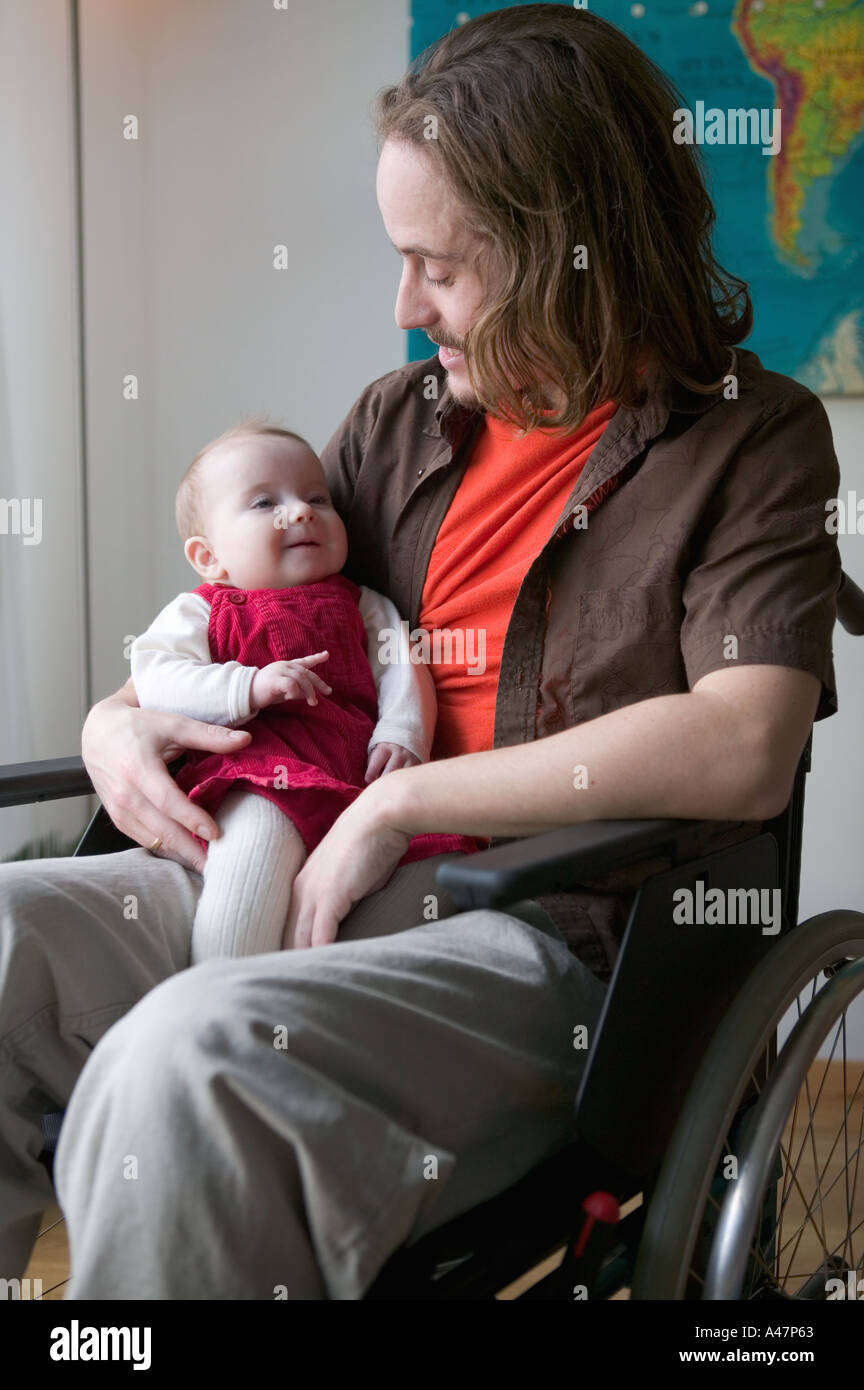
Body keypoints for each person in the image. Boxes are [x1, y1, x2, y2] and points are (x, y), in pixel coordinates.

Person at [0, 6, 839, 1299]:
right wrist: (119, 715)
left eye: (437, 265)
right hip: (284, 868)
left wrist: (403, 800)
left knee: (187, 1063)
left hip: (549, 946)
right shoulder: (400, 423)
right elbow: (255, 609)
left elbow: (743, 743)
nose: (402, 302)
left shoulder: (750, 442)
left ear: (569, 255)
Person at [131, 420, 481, 962]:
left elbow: (402, 669)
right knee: (254, 852)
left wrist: (402, 733)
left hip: (359, 787)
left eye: (317, 497)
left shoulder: (362, 603)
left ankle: (304, 993)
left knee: (423, 873)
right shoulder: (203, 610)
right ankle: (224, 987)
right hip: (263, 779)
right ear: (209, 558)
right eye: (264, 502)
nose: (300, 511)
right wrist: (245, 685)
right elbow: (156, 678)